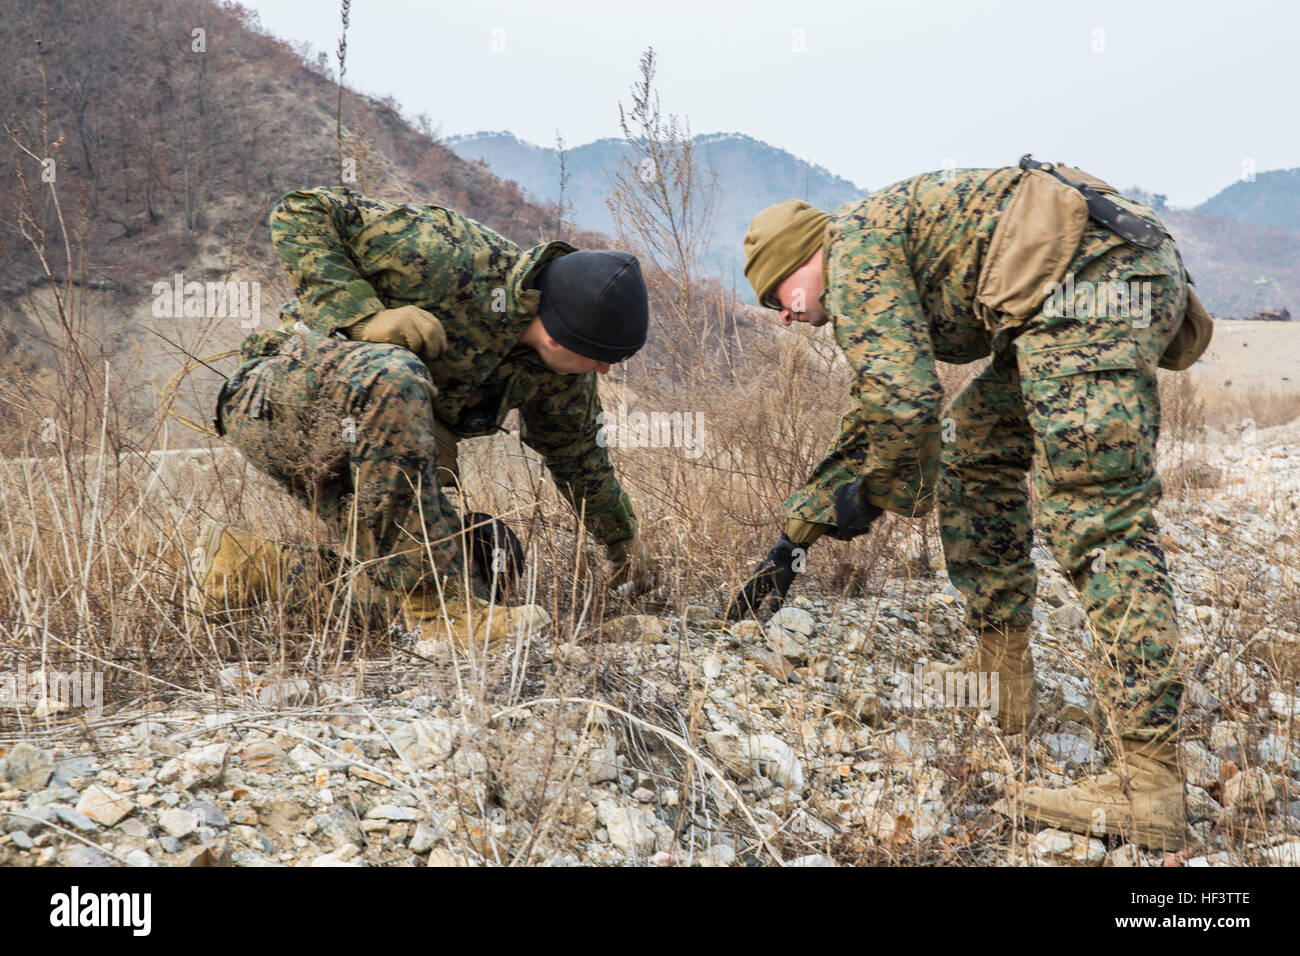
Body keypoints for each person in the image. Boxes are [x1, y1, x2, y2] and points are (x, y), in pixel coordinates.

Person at [730, 157, 1213, 849]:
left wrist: (877, 494)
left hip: (1091, 291)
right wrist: (793, 538)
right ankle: (1002, 667)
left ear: (804, 259)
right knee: (973, 450)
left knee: (1098, 519)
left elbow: (905, 401)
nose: (782, 317)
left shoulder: (854, 250)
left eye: (779, 296)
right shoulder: (873, 243)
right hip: (1084, 291)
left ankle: (1149, 784)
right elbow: (876, 415)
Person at [193, 186, 658, 652]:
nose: (604, 370)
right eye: (599, 357)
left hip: (375, 457)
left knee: (478, 568)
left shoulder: (559, 374)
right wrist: (359, 317)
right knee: (396, 373)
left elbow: (578, 454)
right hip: (281, 405)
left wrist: (621, 538)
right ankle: (436, 611)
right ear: (561, 335)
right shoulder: (452, 253)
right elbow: (301, 209)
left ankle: (247, 567)